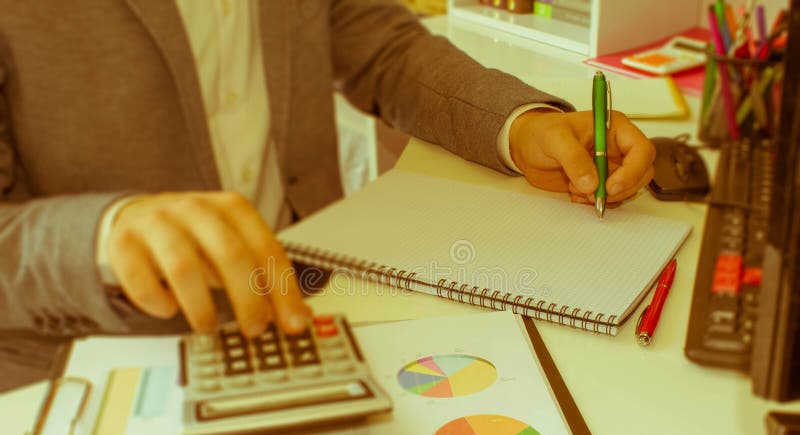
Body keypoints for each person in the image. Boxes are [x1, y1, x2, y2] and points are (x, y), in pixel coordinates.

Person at [0, 1, 654, 368]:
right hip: (93, 355)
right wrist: (106, 234)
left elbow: (383, 47)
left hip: (313, 303)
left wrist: (520, 125)